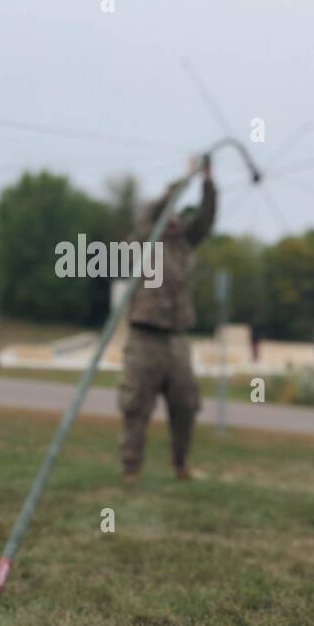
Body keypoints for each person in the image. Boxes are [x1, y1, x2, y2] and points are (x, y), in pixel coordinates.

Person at [118, 156, 217, 482]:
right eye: (171, 211)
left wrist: (206, 181)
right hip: (144, 335)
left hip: (177, 338)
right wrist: (182, 181)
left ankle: (181, 465)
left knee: (186, 404)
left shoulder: (183, 243)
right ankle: (131, 468)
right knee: (136, 405)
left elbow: (205, 218)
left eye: (178, 212)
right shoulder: (146, 236)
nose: (175, 216)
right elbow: (148, 213)